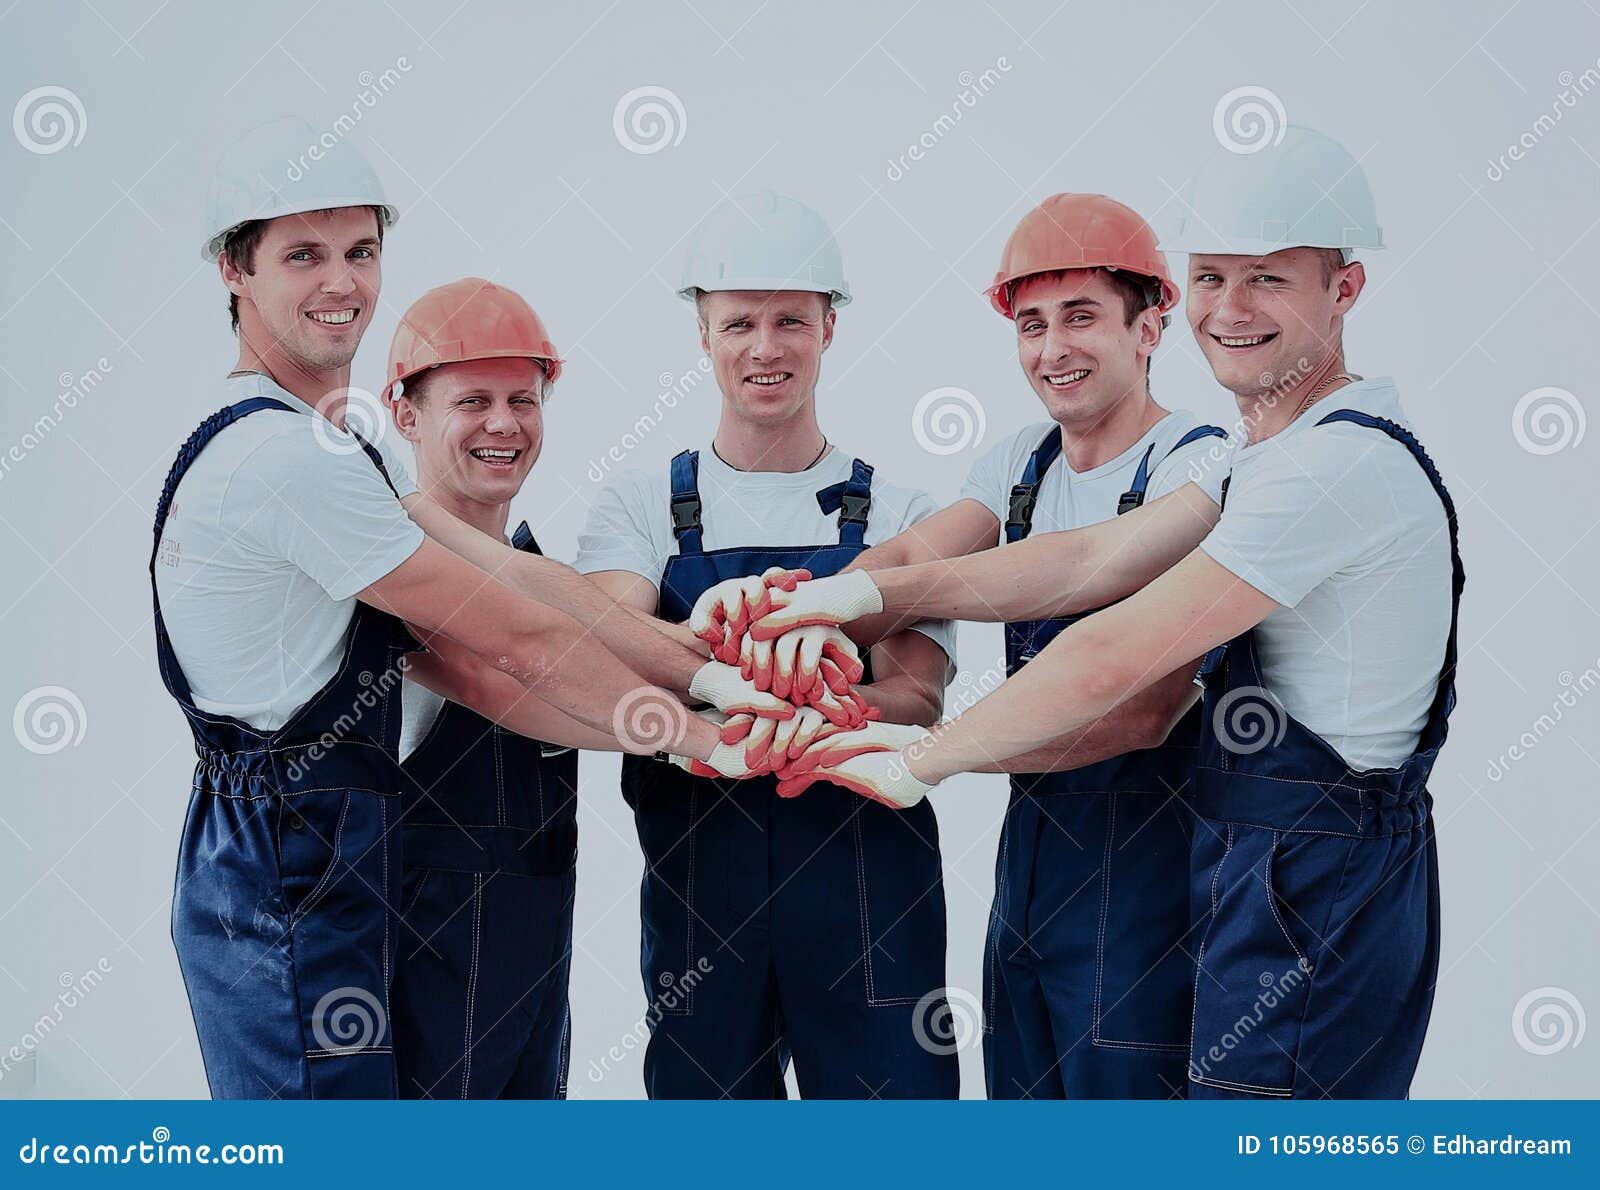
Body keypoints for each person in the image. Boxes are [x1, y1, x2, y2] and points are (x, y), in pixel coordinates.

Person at [733, 127, 1459, 1100]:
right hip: (1217, 867)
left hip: (1302, 882)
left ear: (1344, 289)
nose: (1230, 309)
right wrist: (855, 593)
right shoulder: (1264, 457)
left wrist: (922, 756)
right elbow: (1089, 560)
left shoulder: (1327, 467)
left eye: (1268, 280)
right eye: (1211, 276)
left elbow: (1123, 659)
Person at [156, 120, 789, 1099]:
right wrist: (711, 717)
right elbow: (512, 643)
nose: (341, 280)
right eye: (302, 255)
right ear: (235, 269)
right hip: (293, 861)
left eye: (361, 251)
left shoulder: (335, 454)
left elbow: (528, 595)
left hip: (362, 882)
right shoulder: (283, 459)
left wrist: (690, 664)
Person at [767, 194, 1228, 1099]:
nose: (1053, 349)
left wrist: (928, 755)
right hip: (1031, 866)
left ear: (1152, 324)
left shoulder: (1196, 466)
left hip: (1147, 874)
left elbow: (1142, 707)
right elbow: (908, 560)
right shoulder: (1023, 465)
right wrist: (796, 616)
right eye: (1032, 324)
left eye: (1082, 317)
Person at [575, 192, 959, 1099]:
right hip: (703, 894)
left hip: (871, 893)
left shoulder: (904, 516)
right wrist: (757, 661)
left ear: (830, 325)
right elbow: (613, 653)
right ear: (701, 334)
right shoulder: (638, 508)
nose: (766, 347)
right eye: (739, 322)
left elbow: (920, 698)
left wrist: (789, 706)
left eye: (791, 319)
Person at [378, 277, 581, 1099]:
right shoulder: (386, 578)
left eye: (523, 400)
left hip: (537, 971)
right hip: (423, 973)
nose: (505, 424)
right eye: (473, 400)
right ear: (406, 415)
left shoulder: (548, 576)